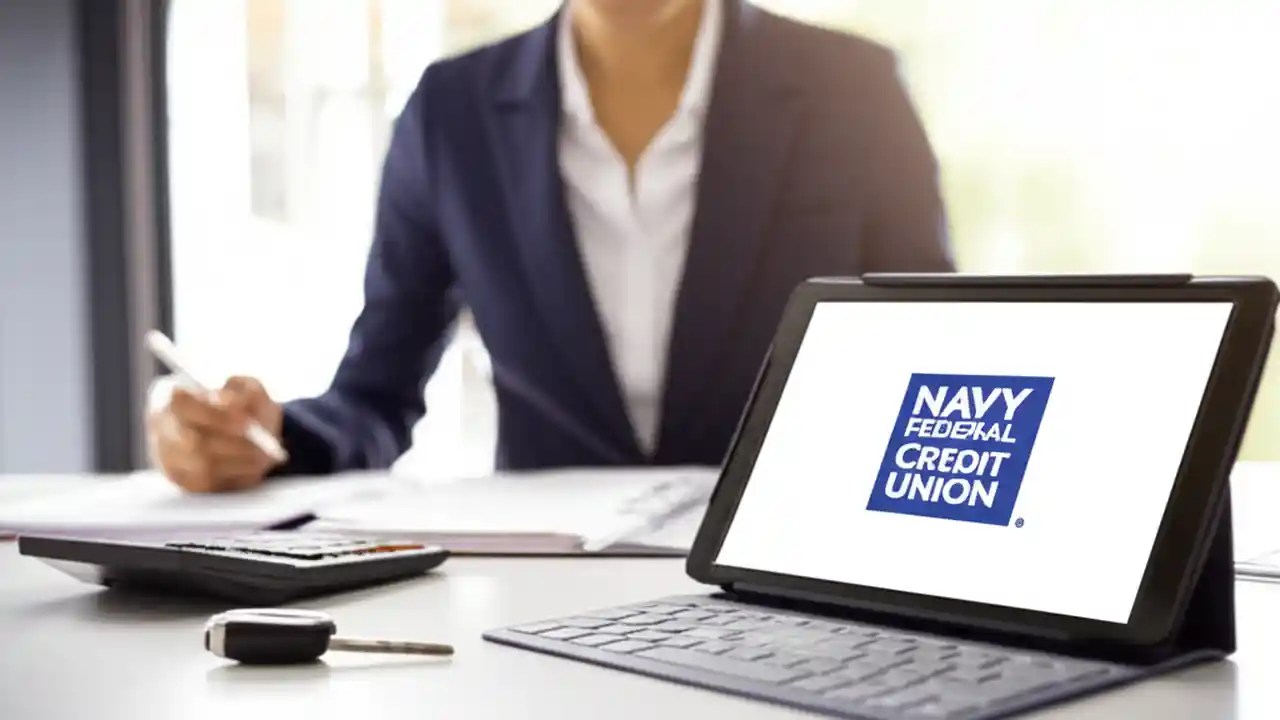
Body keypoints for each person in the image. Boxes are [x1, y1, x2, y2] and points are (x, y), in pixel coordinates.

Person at [150, 0, 954, 492]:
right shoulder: (449, 115)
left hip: (790, 570)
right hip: (543, 582)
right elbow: (376, 396)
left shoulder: (856, 92)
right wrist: (267, 440)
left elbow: (934, 363)